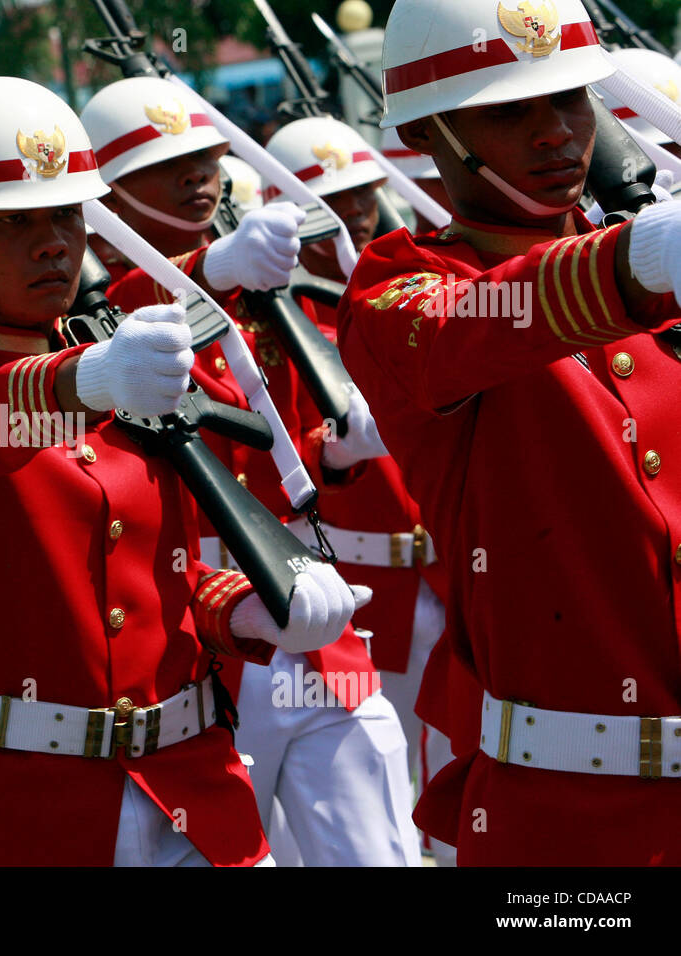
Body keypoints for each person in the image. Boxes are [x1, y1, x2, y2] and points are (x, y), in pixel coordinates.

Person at [0, 75, 365, 866]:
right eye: (13, 223)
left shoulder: (130, 358)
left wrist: (250, 611)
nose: (51, 241)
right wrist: (81, 382)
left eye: (63, 215)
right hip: (38, 806)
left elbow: (167, 571)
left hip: (196, 785)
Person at [340, 0, 681, 864]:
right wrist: (637, 259)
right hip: (564, 812)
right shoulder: (400, 288)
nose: (557, 134)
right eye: (509, 110)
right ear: (428, 132)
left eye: (569, 100)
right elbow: (470, 325)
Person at [82, 75, 419, 865]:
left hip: (312, 603)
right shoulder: (109, 314)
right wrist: (209, 267)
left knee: (377, 849)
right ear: (110, 201)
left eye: (206, 157)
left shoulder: (251, 284)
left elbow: (291, 440)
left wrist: (339, 448)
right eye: (170, 167)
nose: (199, 177)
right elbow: (121, 331)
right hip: (201, 633)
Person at [267, 113, 453, 864]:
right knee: (375, 787)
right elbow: (274, 453)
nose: (351, 211)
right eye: (329, 199)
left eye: (361, 190)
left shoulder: (407, 282)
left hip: (447, 572)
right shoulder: (282, 312)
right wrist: (333, 449)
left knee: (441, 774)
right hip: (359, 577)